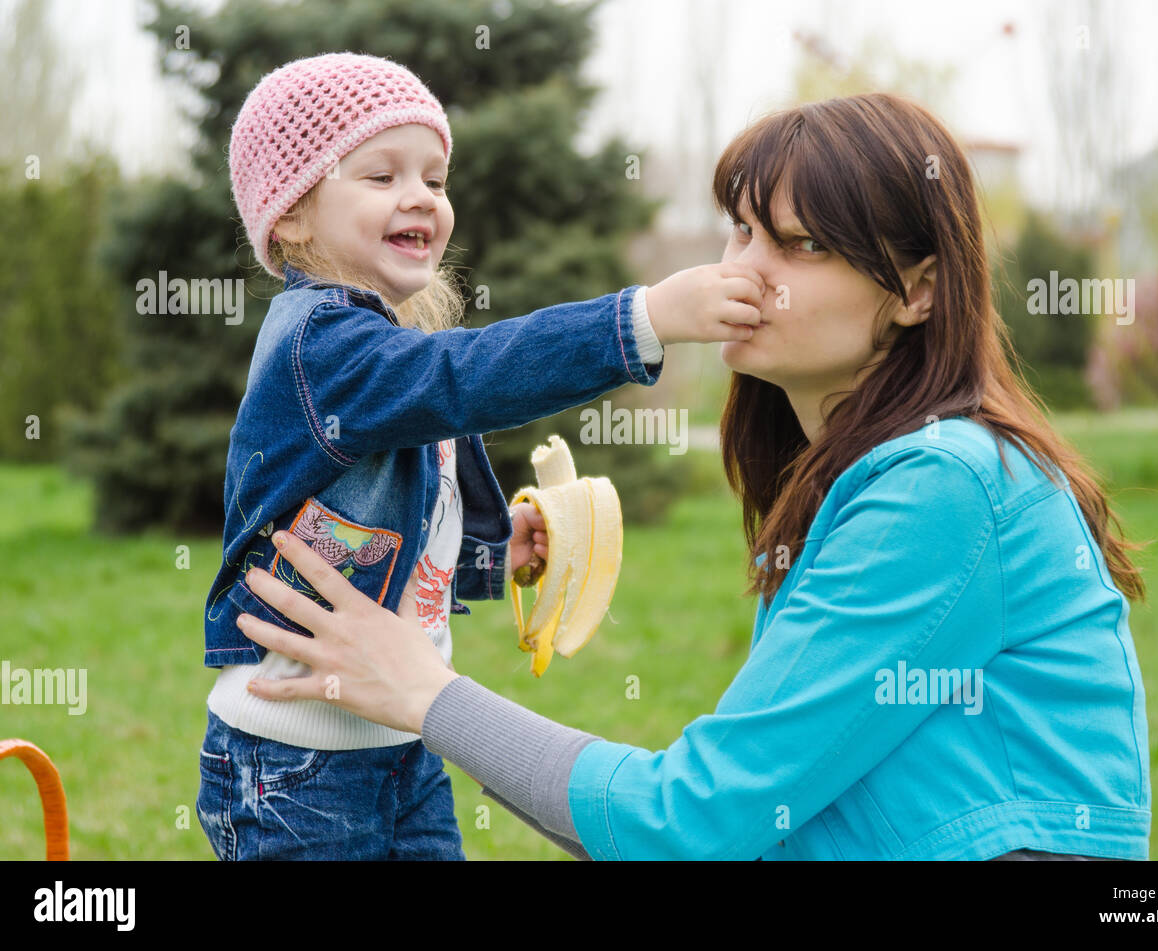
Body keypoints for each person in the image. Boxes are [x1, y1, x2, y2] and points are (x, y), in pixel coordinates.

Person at [236, 93, 1152, 861]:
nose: (742, 272)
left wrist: (426, 695)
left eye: (798, 246)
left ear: (916, 289)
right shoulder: (869, 474)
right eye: (742, 233)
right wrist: (481, 563)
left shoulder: (945, 488)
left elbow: (690, 823)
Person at [196, 52, 764, 861]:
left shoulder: (381, 347)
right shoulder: (318, 345)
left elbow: (384, 535)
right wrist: (640, 318)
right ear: (290, 216)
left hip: (402, 742)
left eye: (434, 176)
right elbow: (469, 376)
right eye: (381, 174)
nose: (420, 196)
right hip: (298, 762)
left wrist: (493, 557)